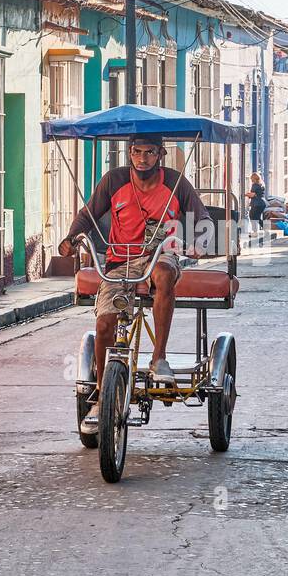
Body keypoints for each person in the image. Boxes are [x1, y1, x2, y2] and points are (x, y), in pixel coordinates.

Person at [58, 134, 213, 424]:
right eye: (137, 152)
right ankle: (103, 395)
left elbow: (202, 218)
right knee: (104, 323)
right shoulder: (114, 181)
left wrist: (199, 242)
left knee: (165, 273)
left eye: (150, 152)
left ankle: (159, 358)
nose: (143, 158)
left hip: (160, 255)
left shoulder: (176, 183)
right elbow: (87, 215)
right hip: (120, 260)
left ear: (161, 154)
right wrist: (70, 238)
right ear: (130, 154)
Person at [246, 172, 267, 244]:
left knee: (252, 216)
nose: (251, 180)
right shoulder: (261, 184)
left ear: (254, 179)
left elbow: (253, 195)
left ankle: (255, 232)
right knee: (256, 217)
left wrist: (245, 194)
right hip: (262, 203)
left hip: (257, 204)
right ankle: (265, 230)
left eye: (251, 178)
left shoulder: (254, 185)